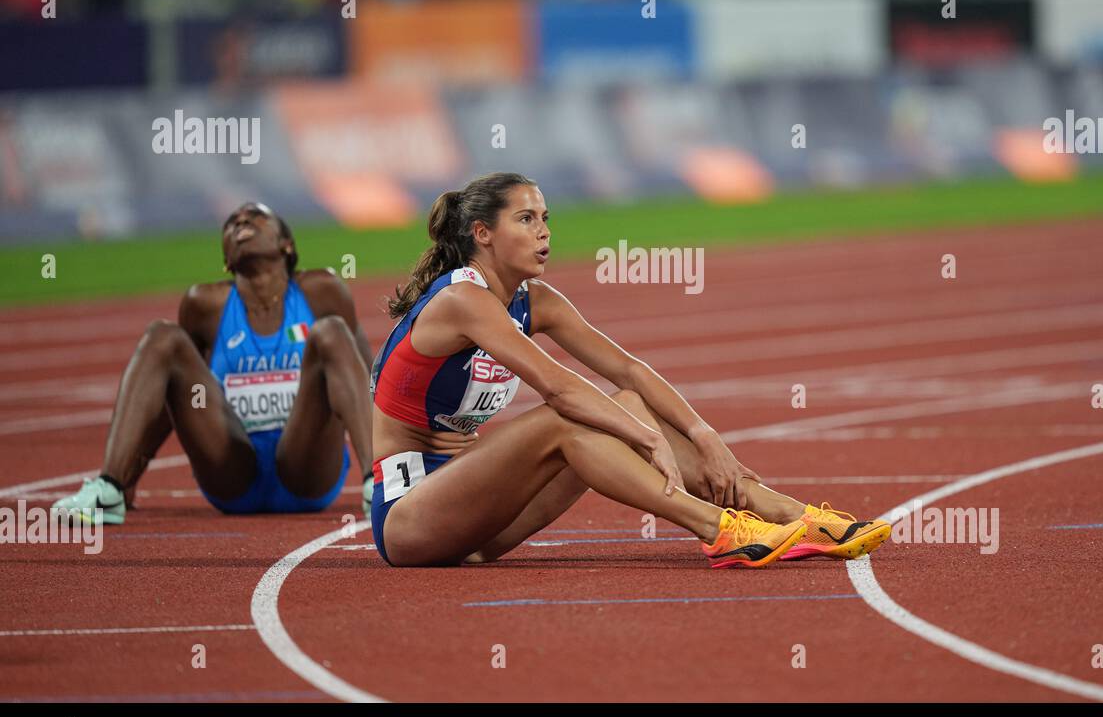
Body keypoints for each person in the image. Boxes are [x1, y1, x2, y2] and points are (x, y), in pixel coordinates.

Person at [367, 172, 891, 568]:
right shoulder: (463, 300)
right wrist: (644, 439)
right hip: (412, 518)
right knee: (565, 420)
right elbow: (559, 386)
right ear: (482, 233)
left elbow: (629, 370)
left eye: (546, 218)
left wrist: (702, 435)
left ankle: (786, 513)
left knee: (627, 404)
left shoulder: (535, 301)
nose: (544, 232)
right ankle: (719, 530)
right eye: (526, 220)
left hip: (480, 518)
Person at [53, 202, 384, 522]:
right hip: (232, 468)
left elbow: (368, 381)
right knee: (163, 337)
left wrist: (398, 456)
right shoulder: (204, 305)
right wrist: (129, 477)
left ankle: (380, 485)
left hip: (308, 467)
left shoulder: (323, 291)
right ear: (226, 259)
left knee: (331, 332)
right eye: (232, 223)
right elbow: (174, 393)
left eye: (254, 216)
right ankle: (108, 491)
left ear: (286, 244)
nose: (240, 222)